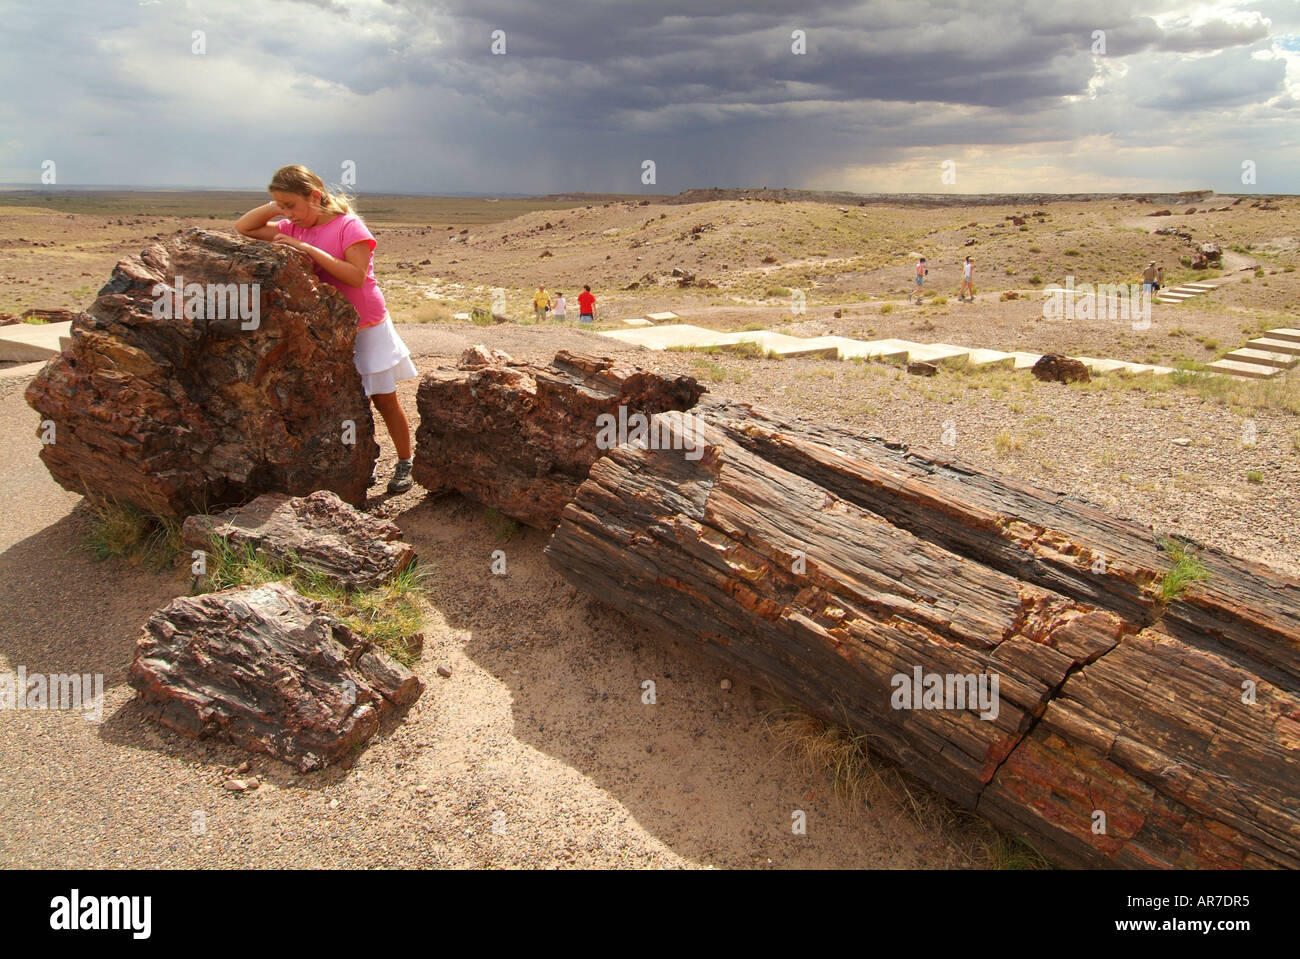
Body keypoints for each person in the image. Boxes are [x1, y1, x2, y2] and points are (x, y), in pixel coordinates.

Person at [234, 164, 418, 494]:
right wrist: (279, 206)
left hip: (366, 325)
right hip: (328, 330)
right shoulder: (292, 226)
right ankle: (366, 462)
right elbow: (244, 228)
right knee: (347, 402)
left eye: (291, 205)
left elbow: (355, 276)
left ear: (315, 196)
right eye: (282, 206)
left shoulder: (349, 226)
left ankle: (405, 461)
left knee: (382, 400)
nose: (287, 213)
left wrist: (306, 249)